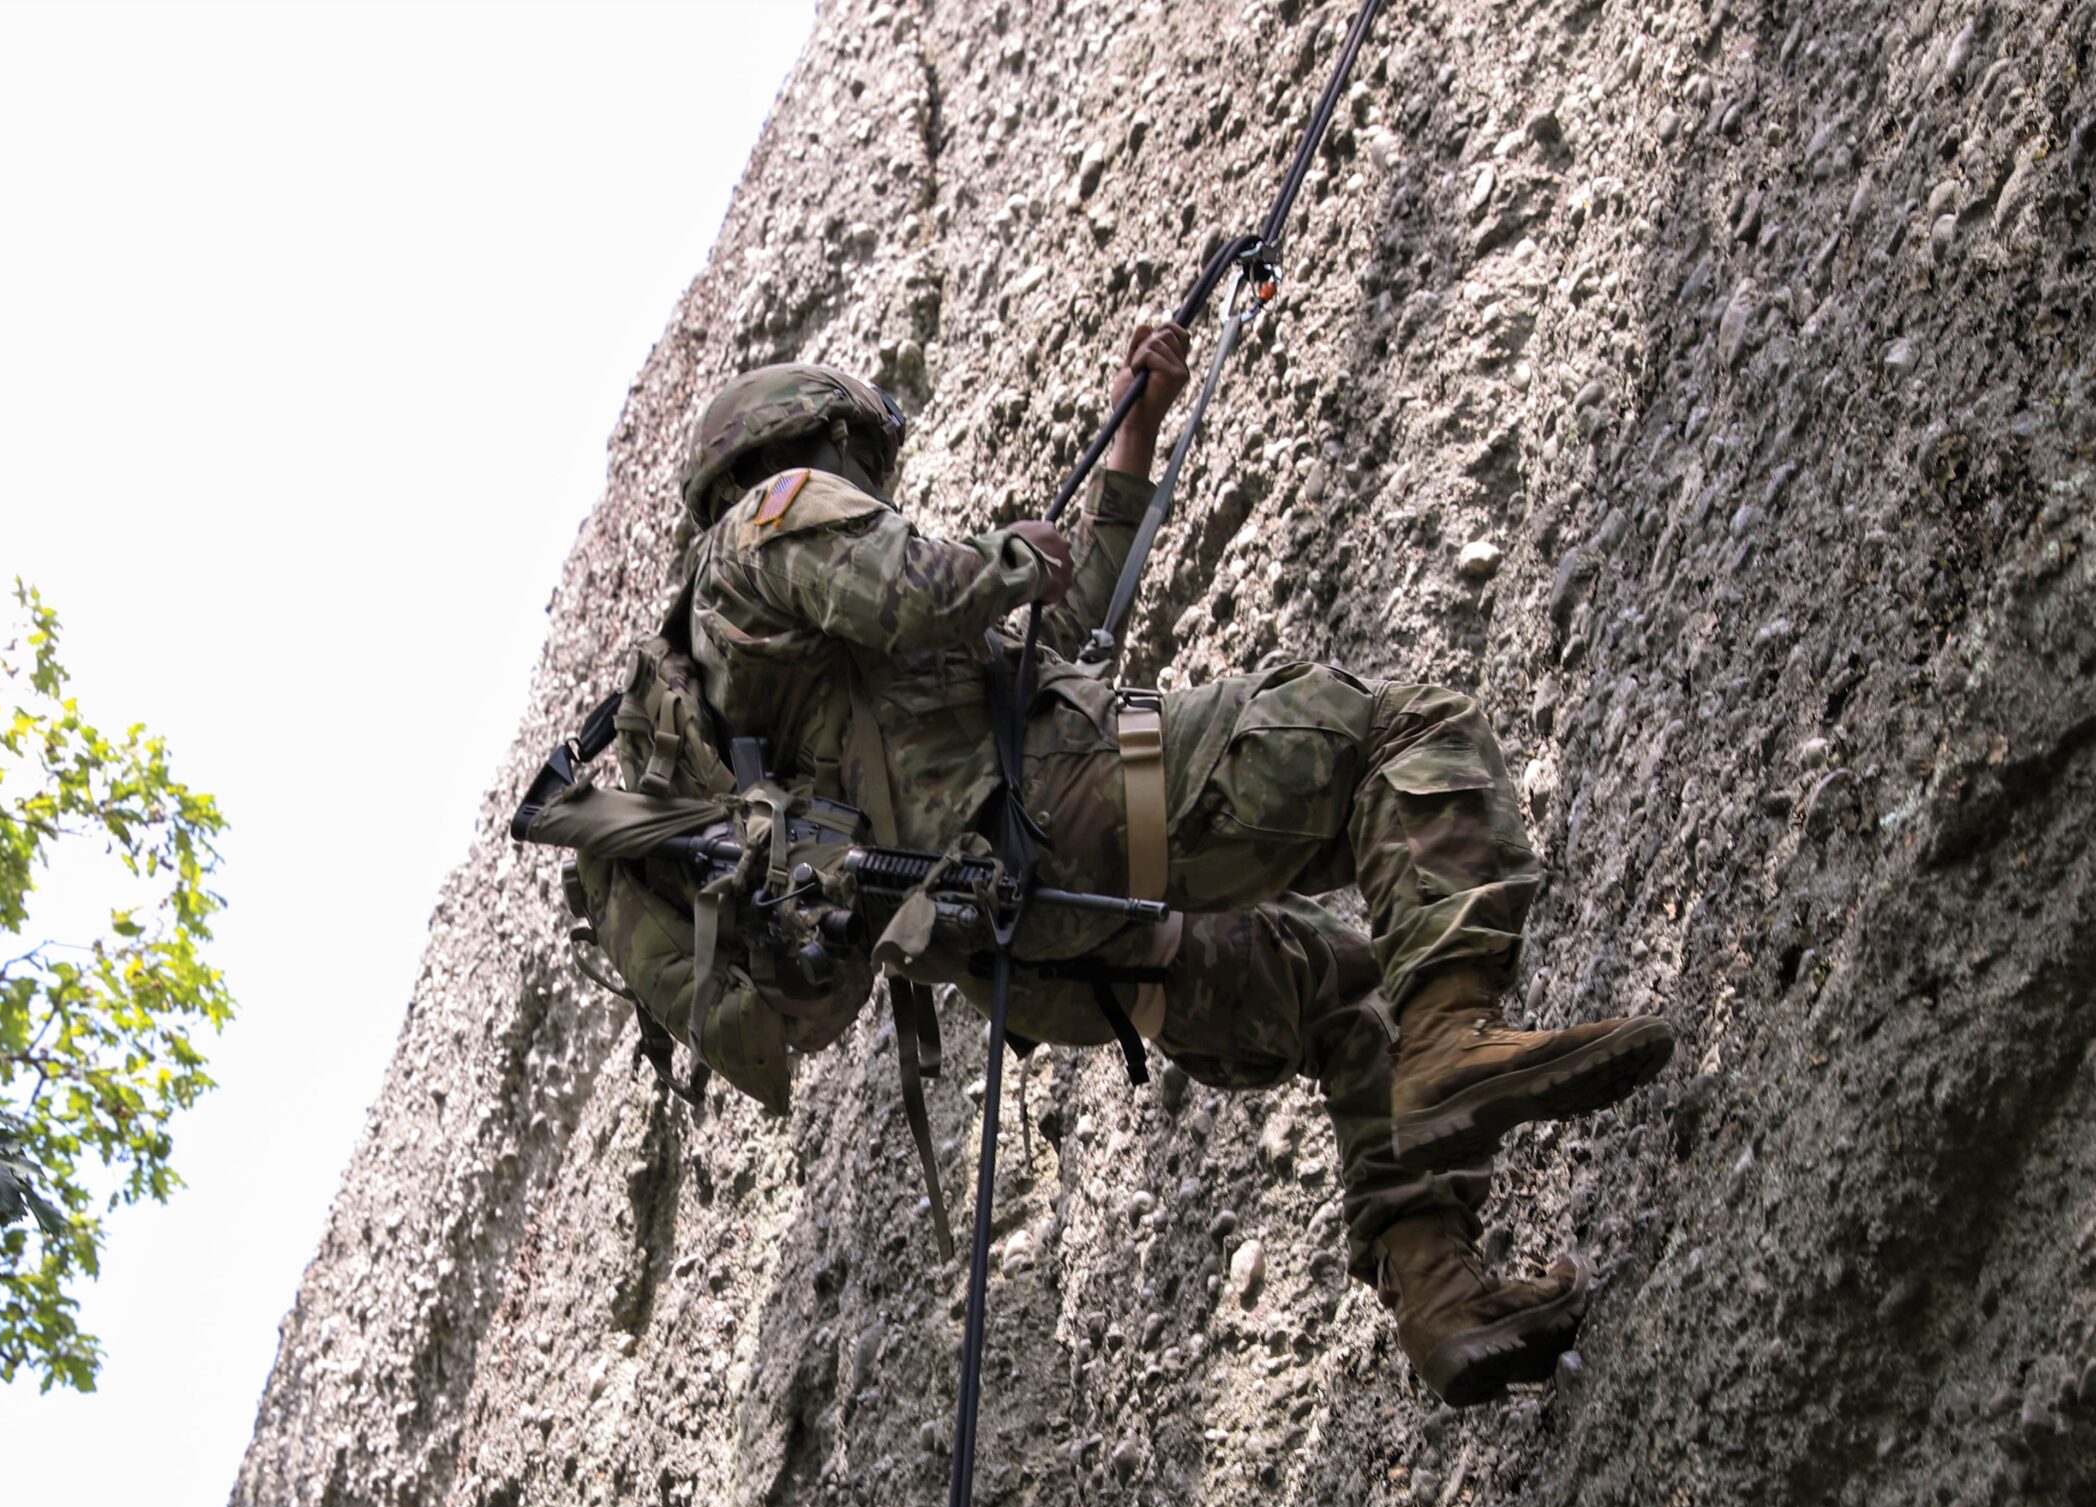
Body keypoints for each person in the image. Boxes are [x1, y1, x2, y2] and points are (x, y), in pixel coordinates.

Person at [666, 332, 1672, 1404]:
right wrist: (1004, 556)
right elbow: (924, 588)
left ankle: (1440, 1296)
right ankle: (1457, 1037)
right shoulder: (764, 524)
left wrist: (1130, 432)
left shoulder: (774, 668)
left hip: (1045, 947)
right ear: (818, 440)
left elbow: (1056, 637)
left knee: (1346, 997)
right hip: (1074, 817)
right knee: (1401, 733)